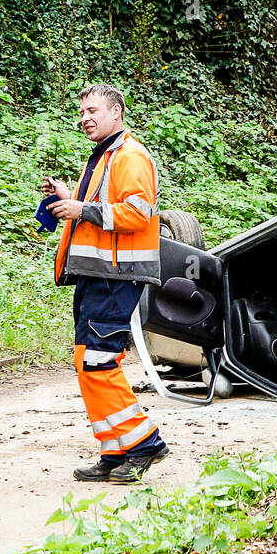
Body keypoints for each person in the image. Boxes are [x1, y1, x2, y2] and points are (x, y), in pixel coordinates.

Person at [45, 84, 169, 484]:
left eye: (93, 110)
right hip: (97, 276)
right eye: (82, 111)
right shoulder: (103, 157)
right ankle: (114, 451)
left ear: (117, 113)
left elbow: (137, 212)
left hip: (117, 277)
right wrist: (70, 197)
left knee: (99, 362)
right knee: (88, 362)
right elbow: (103, 207)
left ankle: (145, 443)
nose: (86, 117)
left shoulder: (131, 155)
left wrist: (81, 207)